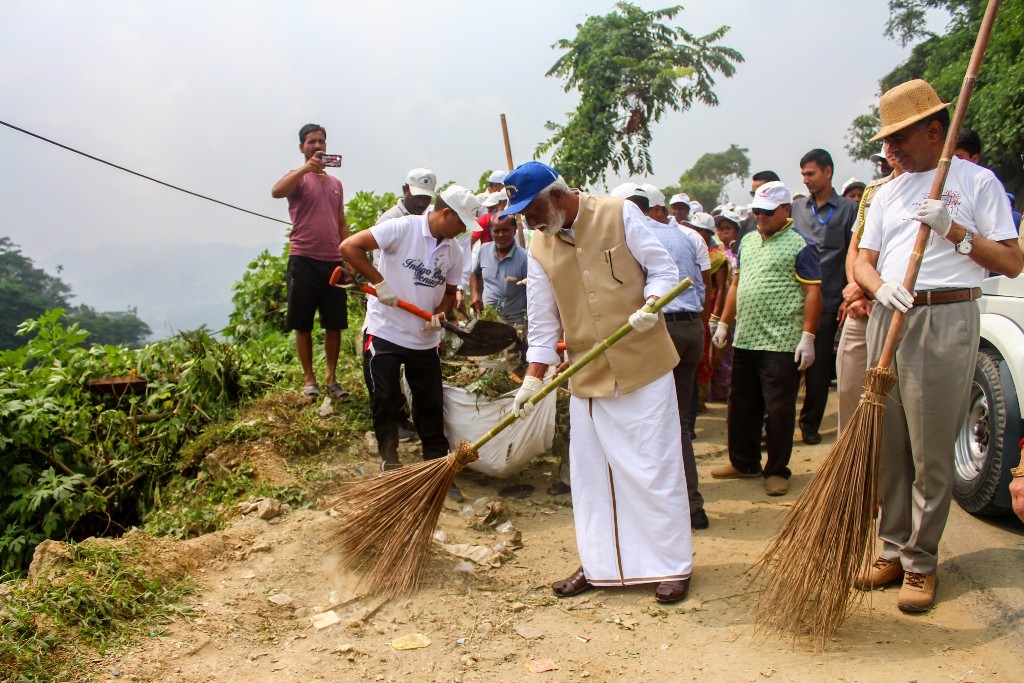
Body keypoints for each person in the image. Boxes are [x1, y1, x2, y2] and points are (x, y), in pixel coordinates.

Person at [852, 79, 1022, 612]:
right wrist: (880, 287)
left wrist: (954, 232)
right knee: (890, 445)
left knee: (930, 452)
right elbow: (861, 258)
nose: (891, 150)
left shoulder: (976, 182)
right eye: (887, 140)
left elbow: (1013, 262)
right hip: (891, 313)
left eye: (900, 137)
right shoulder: (886, 191)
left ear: (933, 130)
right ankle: (890, 550)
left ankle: (921, 562)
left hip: (946, 315)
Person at [504, 161, 693, 604]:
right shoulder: (538, 244)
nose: (526, 220)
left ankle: (671, 566)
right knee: (593, 476)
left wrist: (652, 303)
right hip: (586, 373)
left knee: (654, 469)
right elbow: (543, 320)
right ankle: (600, 565)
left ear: (556, 195)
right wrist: (533, 380)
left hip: (643, 365)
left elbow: (663, 271)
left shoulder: (618, 213)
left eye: (530, 209)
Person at [340, 185, 483, 502]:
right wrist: (380, 282)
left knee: (430, 407)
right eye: (460, 223)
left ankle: (437, 473)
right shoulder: (401, 228)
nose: (462, 231)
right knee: (386, 400)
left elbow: (448, 293)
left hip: (424, 338)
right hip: (386, 330)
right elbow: (350, 246)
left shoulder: (454, 252)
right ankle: (389, 468)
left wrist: (440, 314)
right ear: (445, 213)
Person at [710, 181, 822, 497]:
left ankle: (777, 469)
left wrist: (808, 336)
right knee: (742, 403)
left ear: (786, 210)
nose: (760, 217)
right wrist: (723, 323)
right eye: (757, 211)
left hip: (782, 340)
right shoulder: (746, 242)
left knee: (779, 407)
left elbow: (813, 291)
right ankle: (744, 462)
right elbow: (735, 284)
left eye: (767, 212)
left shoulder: (801, 244)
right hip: (746, 337)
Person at [634, 184, 712, 530]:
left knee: (651, 421)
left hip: (660, 330)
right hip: (690, 328)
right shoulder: (684, 235)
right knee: (677, 421)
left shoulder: (632, 236)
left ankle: (664, 506)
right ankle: (693, 506)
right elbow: (703, 286)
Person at [271, 123, 350, 401]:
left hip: (332, 261)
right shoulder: (297, 178)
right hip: (303, 258)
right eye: (311, 142)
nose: (317, 146)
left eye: (321, 142)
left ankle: (331, 377)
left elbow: (341, 223)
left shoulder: (336, 185)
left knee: (334, 323)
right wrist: (306, 169)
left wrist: (347, 258)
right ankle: (309, 379)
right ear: (302, 147)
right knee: (302, 323)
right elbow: (276, 192)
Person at [792, 149, 858, 445]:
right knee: (786, 364)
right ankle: (775, 424)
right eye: (803, 174)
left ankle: (809, 423)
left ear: (828, 172)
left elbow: (853, 254)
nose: (806, 180)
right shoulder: (796, 209)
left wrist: (851, 292)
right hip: (795, 299)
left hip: (830, 299)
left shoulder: (849, 210)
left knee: (818, 369)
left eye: (811, 174)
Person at [836, 144, 902, 432]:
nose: (888, 162)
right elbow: (856, 251)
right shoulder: (873, 192)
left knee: (892, 404)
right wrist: (856, 290)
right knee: (850, 391)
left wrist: (864, 290)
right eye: (883, 159)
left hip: (895, 304)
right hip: (862, 308)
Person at [470, 213, 528, 325]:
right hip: (487, 320)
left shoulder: (524, 258)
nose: (501, 235)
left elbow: (534, 292)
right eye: (496, 231)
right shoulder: (484, 250)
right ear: (491, 231)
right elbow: (475, 273)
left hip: (515, 324)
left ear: (514, 230)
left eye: (506, 230)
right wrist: (475, 293)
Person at [710, 210, 742, 402]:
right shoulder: (716, 254)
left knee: (729, 353)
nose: (723, 232)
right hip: (717, 306)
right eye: (720, 229)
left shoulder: (738, 253)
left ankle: (727, 390)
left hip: (733, 308)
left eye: (728, 228)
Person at [738, 170, 781, 242]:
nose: (756, 197)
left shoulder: (793, 216)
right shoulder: (749, 222)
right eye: (753, 193)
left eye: (760, 193)